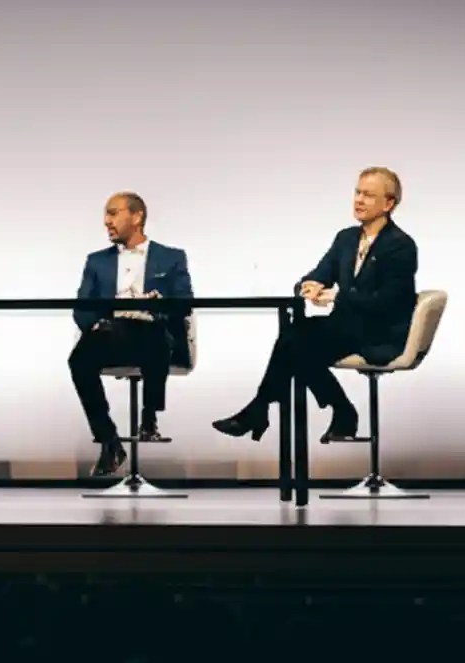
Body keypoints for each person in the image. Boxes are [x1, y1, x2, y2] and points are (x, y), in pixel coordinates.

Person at [213, 167, 418, 442]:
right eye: (357, 192)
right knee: (294, 340)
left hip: (378, 331)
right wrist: (309, 286)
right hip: (344, 327)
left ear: (389, 203)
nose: (358, 200)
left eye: (368, 195)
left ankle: (263, 410)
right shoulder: (346, 238)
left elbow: (390, 302)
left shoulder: (401, 246)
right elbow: (319, 273)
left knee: (295, 345)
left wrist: (338, 296)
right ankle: (336, 411)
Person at [69, 192, 193, 477]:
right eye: (106, 215)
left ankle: (149, 418)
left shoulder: (171, 257)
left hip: (153, 330)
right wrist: (95, 324)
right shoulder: (96, 261)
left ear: (137, 217)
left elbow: (184, 302)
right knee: (78, 360)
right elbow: (81, 309)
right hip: (110, 333)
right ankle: (109, 440)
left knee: (155, 338)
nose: (106, 222)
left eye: (113, 213)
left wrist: (159, 304)